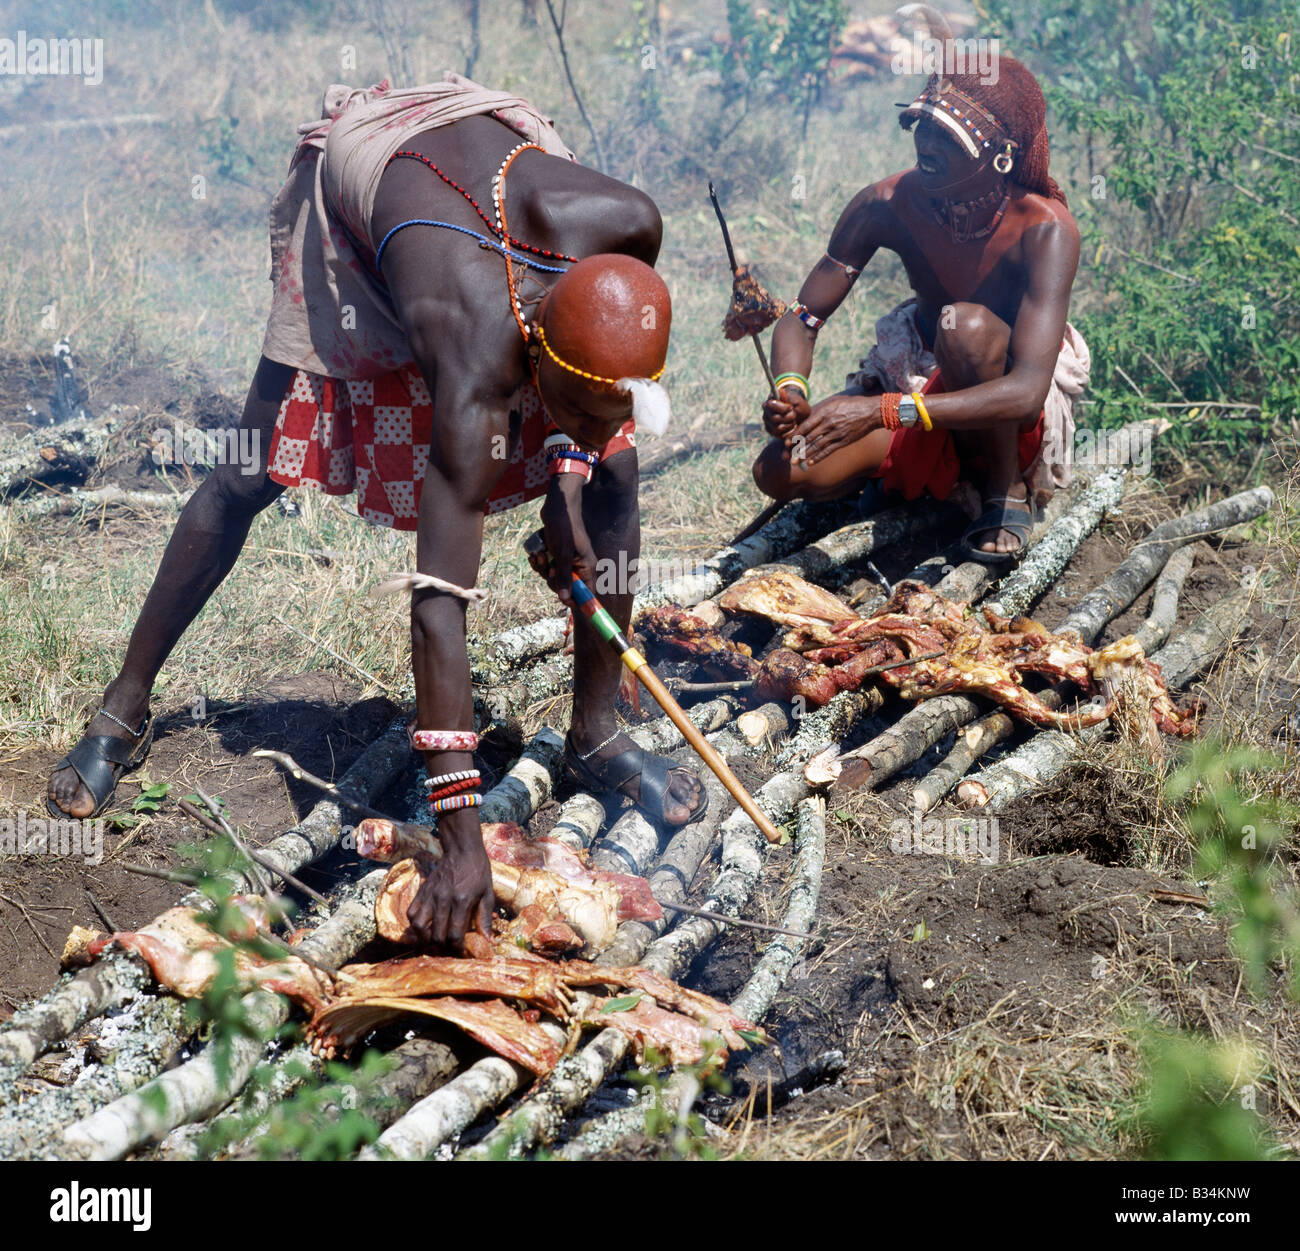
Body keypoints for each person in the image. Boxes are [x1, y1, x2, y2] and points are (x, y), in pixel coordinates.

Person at [47, 73, 705, 947]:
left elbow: (593, 400)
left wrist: (574, 478)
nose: (579, 429)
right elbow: (438, 604)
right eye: (566, 413)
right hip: (362, 196)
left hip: (484, 157)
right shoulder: (473, 363)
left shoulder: (632, 229)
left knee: (616, 474)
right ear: (534, 363)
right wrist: (461, 840)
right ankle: (122, 710)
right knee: (248, 471)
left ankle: (594, 730)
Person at [752, 49, 1090, 562]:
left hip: (1005, 411)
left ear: (1000, 153)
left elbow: (1024, 393)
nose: (925, 144)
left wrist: (879, 412)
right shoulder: (884, 204)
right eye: (920, 126)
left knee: (964, 326)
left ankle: (1003, 494)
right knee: (778, 469)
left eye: (947, 135)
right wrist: (790, 389)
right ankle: (904, 477)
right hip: (917, 387)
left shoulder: (1044, 229)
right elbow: (803, 318)